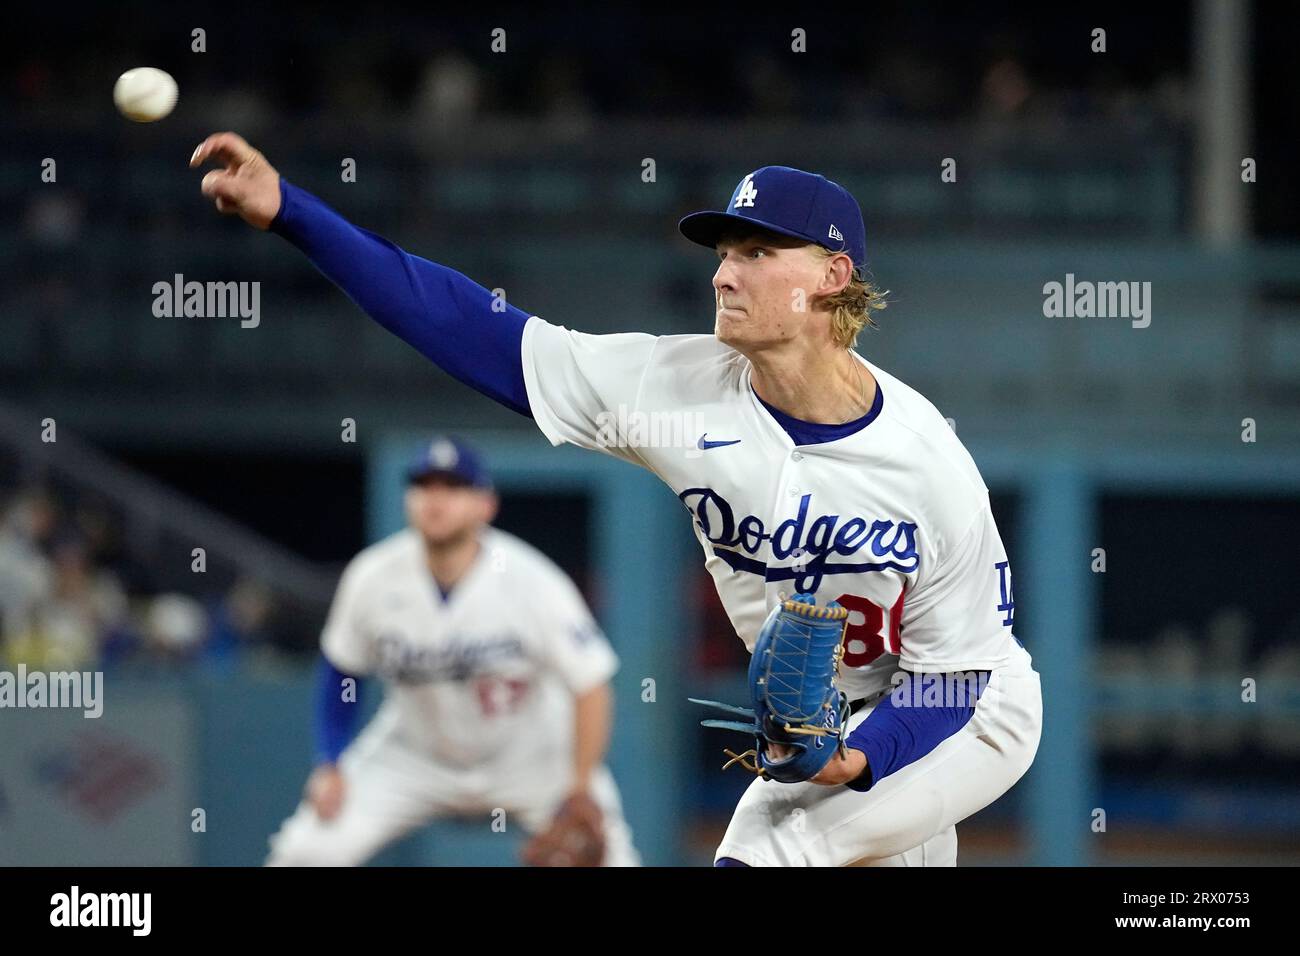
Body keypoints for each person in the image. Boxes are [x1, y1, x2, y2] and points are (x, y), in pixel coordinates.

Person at [195, 134, 1041, 867]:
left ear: (832, 275)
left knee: (771, 850)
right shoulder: (671, 390)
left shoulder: (926, 463)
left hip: (960, 714)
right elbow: (468, 326)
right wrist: (292, 213)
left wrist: (855, 762)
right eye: (722, 252)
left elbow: (956, 676)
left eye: (755, 253)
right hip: (825, 724)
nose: (724, 274)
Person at [266, 437, 639, 866]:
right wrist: (329, 761)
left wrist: (579, 783)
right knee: (304, 853)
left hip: (529, 754)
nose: (436, 499)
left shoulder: (531, 579)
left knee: (614, 860)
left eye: (453, 487)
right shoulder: (373, 576)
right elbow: (342, 669)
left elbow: (591, 685)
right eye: (425, 486)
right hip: (414, 753)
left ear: (485, 505)